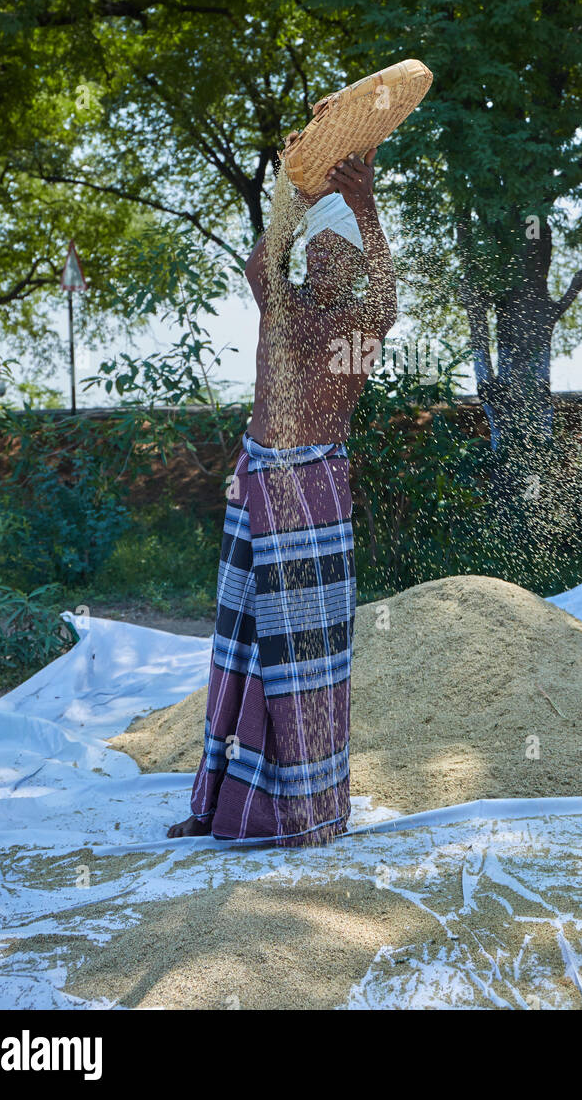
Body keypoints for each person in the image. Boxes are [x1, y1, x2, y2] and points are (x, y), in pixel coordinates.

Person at [168, 145, 397, 846]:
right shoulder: (283, 306)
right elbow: (255, 264)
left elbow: (388, 303)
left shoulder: (355, 332)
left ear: (356, 268)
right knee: (238, 650)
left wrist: (365, 207)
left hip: (313, 489)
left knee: (303, 659)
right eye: (317, 254)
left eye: (341, 257)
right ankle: (219, 806)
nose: (326, 265)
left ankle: (305, 814)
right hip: (258, 482)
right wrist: (297, 201)